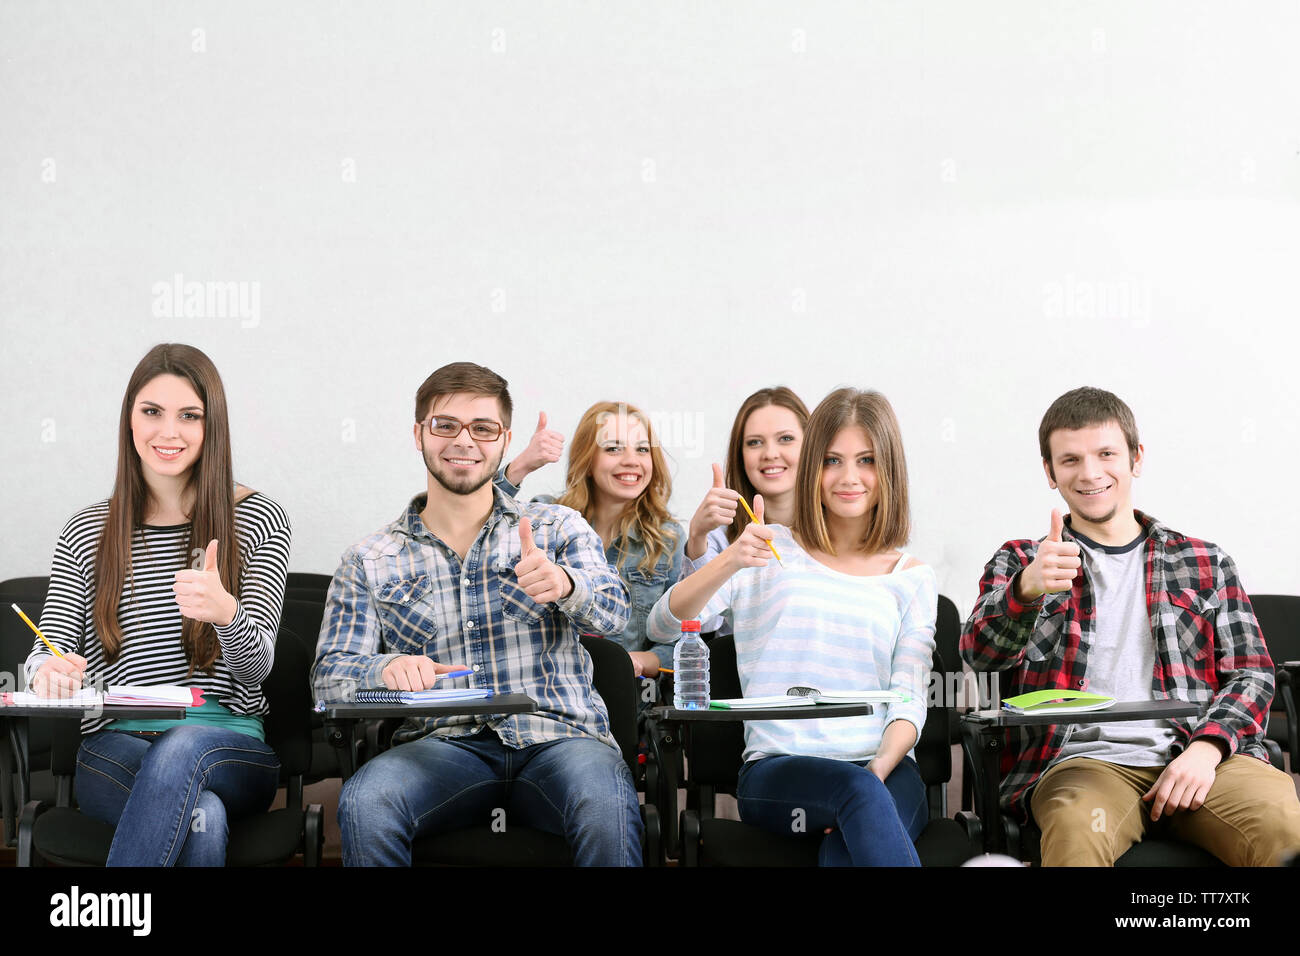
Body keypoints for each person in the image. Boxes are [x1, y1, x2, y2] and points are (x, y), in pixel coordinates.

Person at [312, 362, 643, 866]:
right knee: (367, 802)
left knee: (606, 807)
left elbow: (614, 616)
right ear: (419, 433)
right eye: (445, 425)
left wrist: (566, 585)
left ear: (504, 440)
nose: (464, 441)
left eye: (482, 428)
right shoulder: (370, 558)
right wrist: (384, 669)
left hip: (560, 739)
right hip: (442, 748)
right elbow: (328, 680)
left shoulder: (555, 527)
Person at [961, 386, 1300, 866]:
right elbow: (979, 657)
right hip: (1083, 766)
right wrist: (1025, 590)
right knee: (1078, 832)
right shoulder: (1024, 560)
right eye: (1071, 459)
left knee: (1285, 830)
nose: (1091, 473)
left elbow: (1253, 673)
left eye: (1105, 454)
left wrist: (1207, 748)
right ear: (1050, 472)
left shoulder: (1204, 562)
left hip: (1205, 757)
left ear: (1136, 458)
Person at [25, 343, 291, 866]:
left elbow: (257, 670)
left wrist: (224, 615)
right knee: (203, 819)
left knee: (182, 749)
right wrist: (45, 672)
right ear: (129, 420)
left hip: (227, 743)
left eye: (189, 416)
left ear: (211, 427)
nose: (168, 433)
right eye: (152, 412)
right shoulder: (87, 531)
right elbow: (48, 649)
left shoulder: (257, 519)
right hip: (113, 746)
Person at [648, 388, 935, 866]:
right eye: (831, 461)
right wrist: (729, 561)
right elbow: (665, 623)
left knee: (846, 844)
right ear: (812, 470)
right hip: (779, 770)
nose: (849, 478)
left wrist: (879, 768)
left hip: (885, 766)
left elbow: (908, 695)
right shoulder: (766, 549)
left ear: (889, 471)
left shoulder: (912, 576)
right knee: (858, 798)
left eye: (866, 460)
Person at [539, 401, 684, 677]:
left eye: (642, 449)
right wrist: (521, 467)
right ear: (588, 460)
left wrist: (640, 660)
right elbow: (479, 525)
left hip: (631, 704)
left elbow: (682, 641)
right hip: (555, 702)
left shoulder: (667, 538)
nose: (631, 460)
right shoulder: (547, 519)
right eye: (613, 448)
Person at [679, 386, 809, 637]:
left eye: (785, 438)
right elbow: (699, 627)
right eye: (754, 443)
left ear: (812, 446)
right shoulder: (719, 537)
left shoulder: (839, 528)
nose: (770, 453)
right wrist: (697, 539)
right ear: (741, 456)